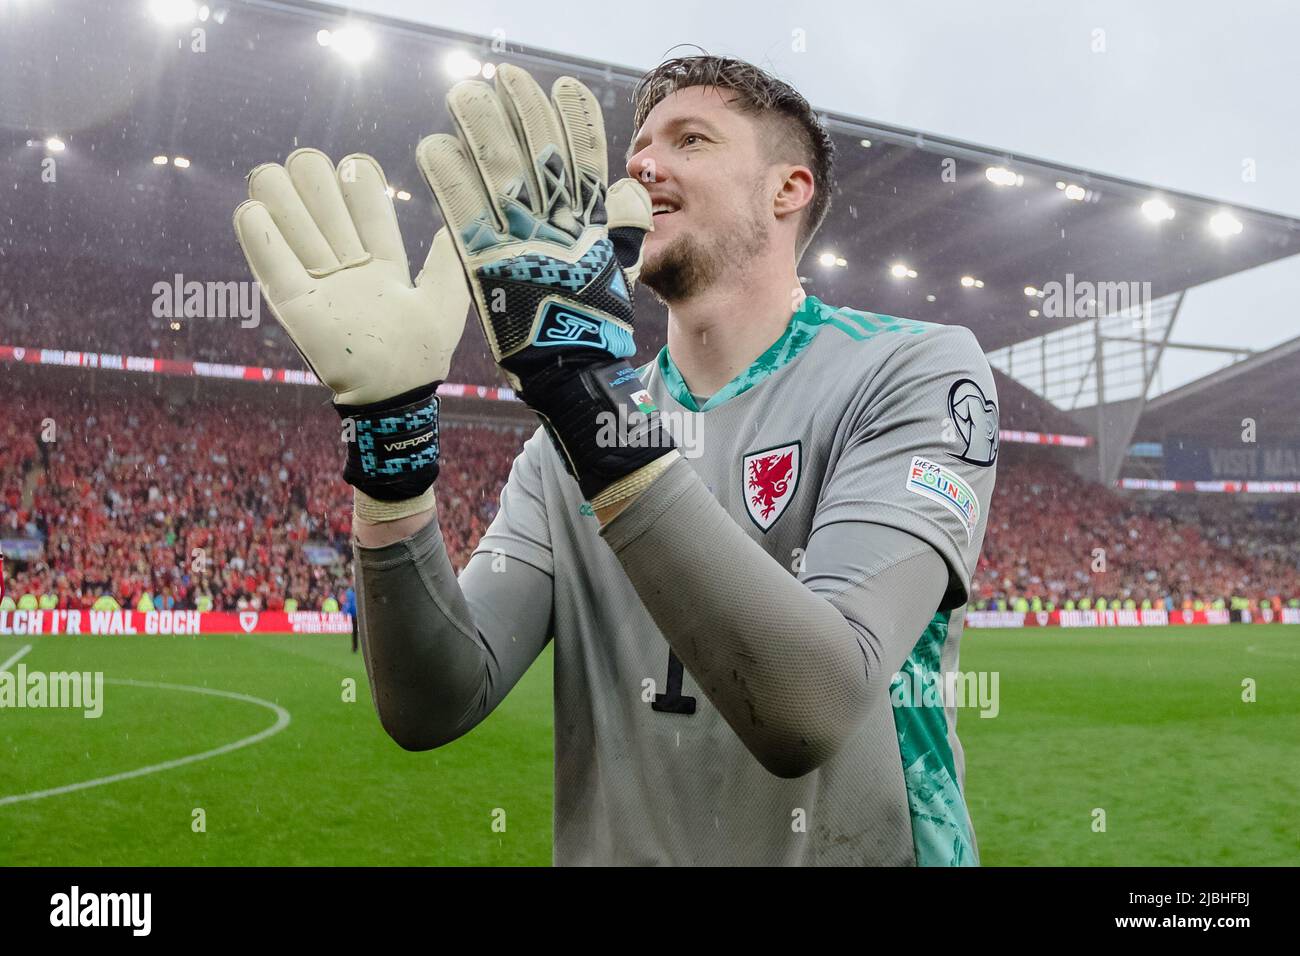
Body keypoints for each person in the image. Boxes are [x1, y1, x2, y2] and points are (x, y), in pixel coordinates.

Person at [235, 56, 998, 865]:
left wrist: (590, 403)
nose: (643, 165)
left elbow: (806, 709)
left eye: (691, 139)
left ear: (787, 190)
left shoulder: (915, 370)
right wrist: (392, 451)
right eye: (637, 149)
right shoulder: (564, 438)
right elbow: (432, 703)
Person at [343, 585, 358, 653]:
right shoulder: (352, 594)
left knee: (354, 631)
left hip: (355, 614)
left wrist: (345, 612)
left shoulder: (350, 594)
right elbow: (347, 604)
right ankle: (355, 647)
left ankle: (355, 647)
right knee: (355, 631)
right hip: (356, 614)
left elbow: (347, 604)